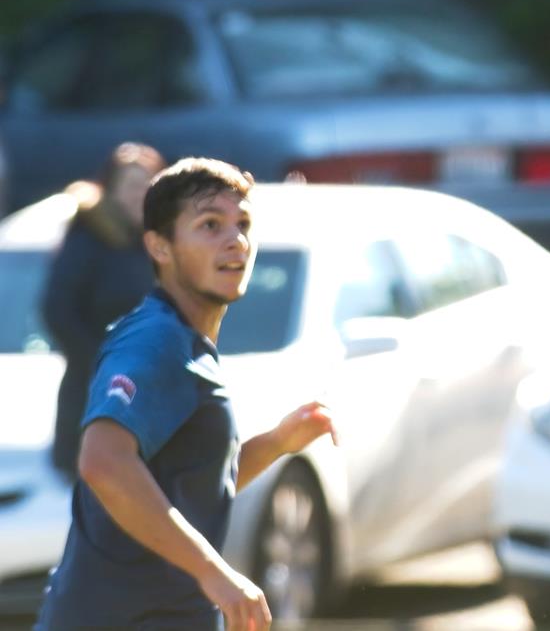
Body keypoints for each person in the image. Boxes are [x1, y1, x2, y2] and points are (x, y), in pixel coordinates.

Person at [36, 158, 337, 631]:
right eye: (210, 225)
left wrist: (277, 442)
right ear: (159, 247)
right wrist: (215, 574)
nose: (235, 239)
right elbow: (103, 462)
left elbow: (189, 490)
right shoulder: (155, 341)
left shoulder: (187, 343)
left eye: (243, 224)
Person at [43, 141, 165, 478]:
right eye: (130, 186)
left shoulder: (157, 244)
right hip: (93, 387)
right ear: (111, 189)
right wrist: (101, 361)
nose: (138, 195)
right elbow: (58, 309)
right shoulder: (89, 237)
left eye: (147, 187)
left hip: (148, 387)